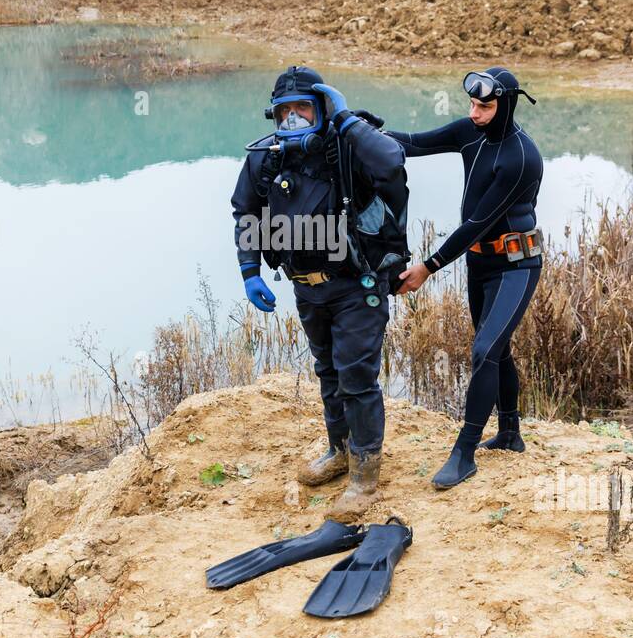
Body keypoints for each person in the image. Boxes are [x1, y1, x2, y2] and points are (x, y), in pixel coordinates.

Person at [231, 66, 409, 519]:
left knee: (356, 376)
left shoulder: (349, 146)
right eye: (283, 112)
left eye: (303, 110)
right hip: (306, 287)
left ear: (322, 109)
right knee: (327, 372)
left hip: (357, 286)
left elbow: (391, 164)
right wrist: (250, 270)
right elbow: (245, 211)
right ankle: (340, 450)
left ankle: (366, 477)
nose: (292, 121)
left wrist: (345, 118)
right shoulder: (265, 158)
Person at [389, 67, 543, 491]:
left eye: (485, 107)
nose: (475, 113)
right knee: (497, 350)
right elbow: (415, 143)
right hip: (480, 264)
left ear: (506, 105)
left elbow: (477, 222)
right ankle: (509, 433)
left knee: (484, 350)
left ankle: (465, 452)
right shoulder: (469, 131)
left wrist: (427, 266)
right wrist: (364, 129)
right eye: (472, 105)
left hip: (515, 265)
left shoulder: (521, 158)